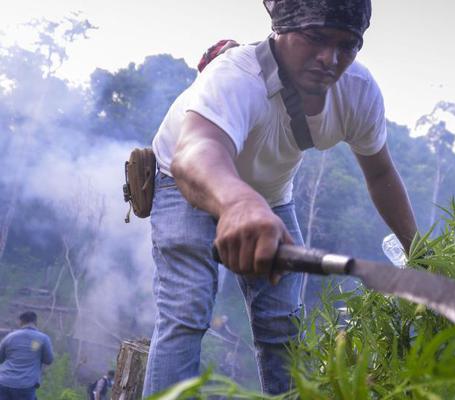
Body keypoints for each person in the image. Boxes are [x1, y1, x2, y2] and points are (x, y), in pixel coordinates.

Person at [143, 0, 418, 397]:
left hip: (269, 199)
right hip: (185, 183)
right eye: (315, 38)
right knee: (186, 310)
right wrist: (238, 204)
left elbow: (380, 174)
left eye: (347, 45)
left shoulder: (358, 92)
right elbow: (195, 152)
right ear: (281, 30)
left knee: (283, 325)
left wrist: (421, 252)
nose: (330, 58)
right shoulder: (237, 75)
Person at [0, 311, 54, 400]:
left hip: (3, 382)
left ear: (20, 322)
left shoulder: (9, 337)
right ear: (36, 322)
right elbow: (49, 360)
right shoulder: (42, 338)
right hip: (25, 385)